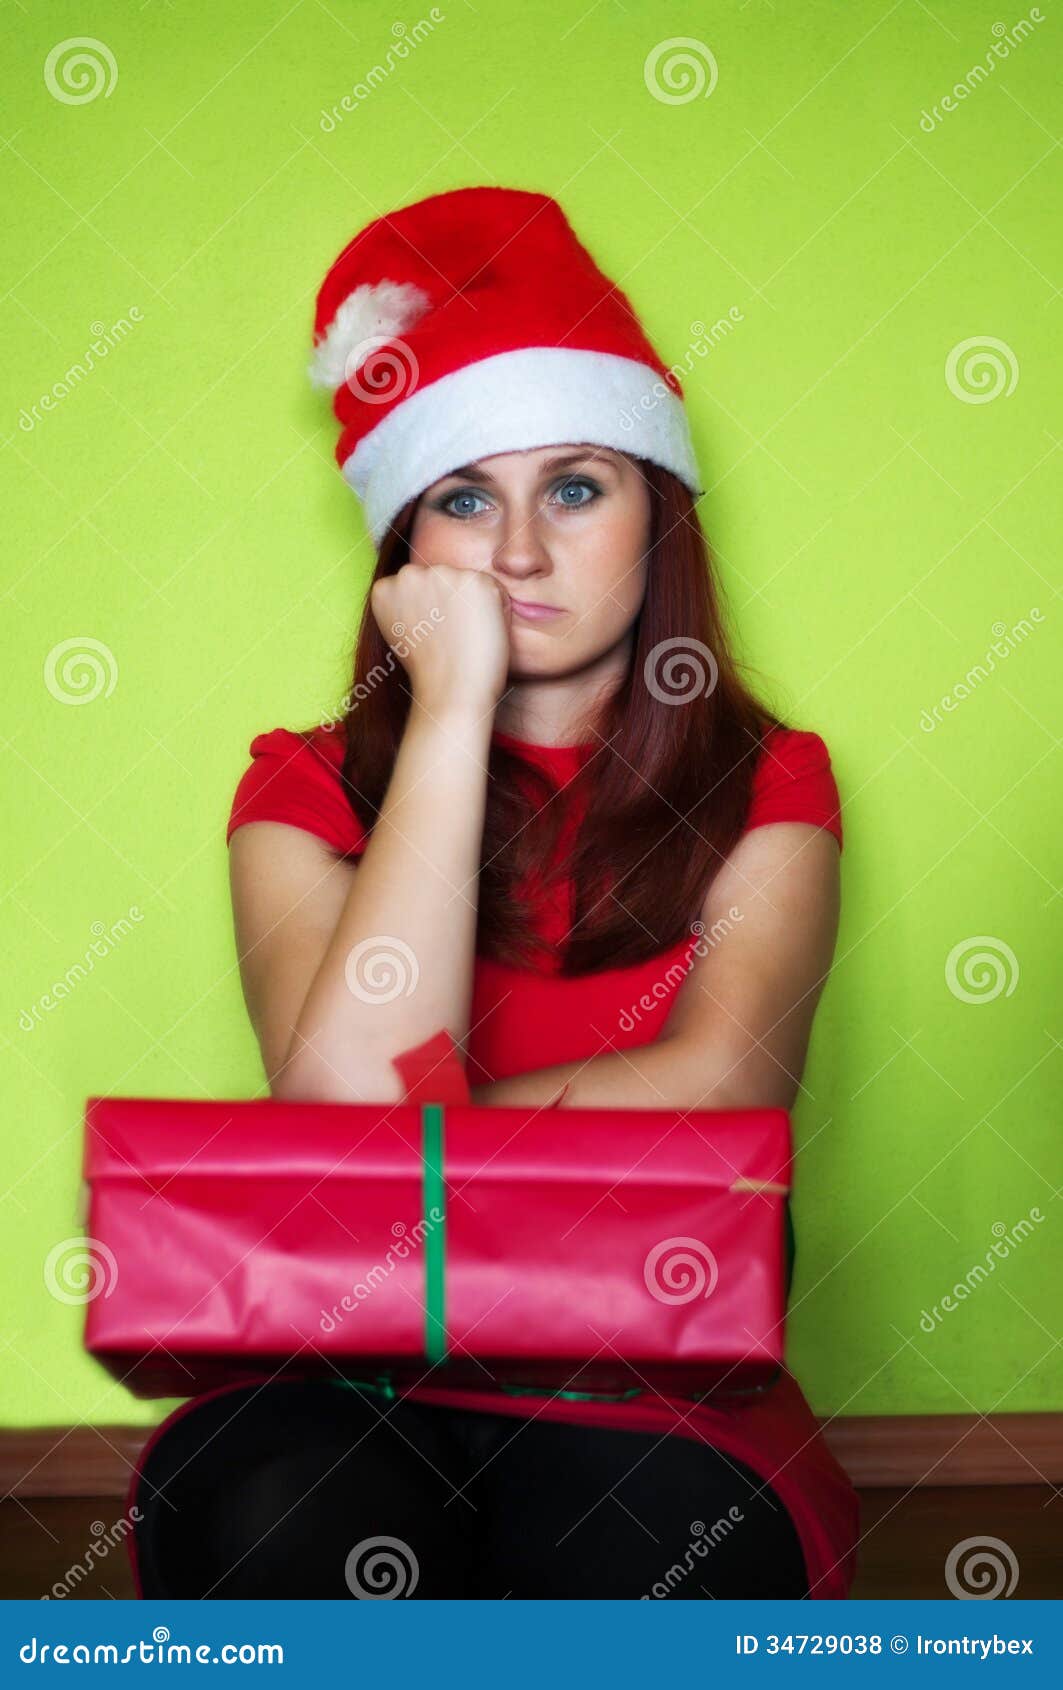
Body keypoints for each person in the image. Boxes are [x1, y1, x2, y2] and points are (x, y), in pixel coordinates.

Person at [128, 184, 860, 1600]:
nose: (518, 553)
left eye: (576, 487)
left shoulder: (773, 785)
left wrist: (418, 1163)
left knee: (629, 1552)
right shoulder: (301, 789)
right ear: (407, 546)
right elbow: (346, 1112)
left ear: (659, 510)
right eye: (465, 497)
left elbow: (721, 1095)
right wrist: (452, 716)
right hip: (350, 1377)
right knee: (288, 1521)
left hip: (647, 1385)